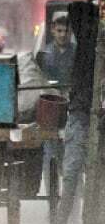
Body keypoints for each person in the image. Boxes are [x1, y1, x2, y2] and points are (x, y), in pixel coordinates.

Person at [53, 1, 98, 224]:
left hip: (98, 118)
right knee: (71, 172)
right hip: (80, 114)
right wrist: (96, 5)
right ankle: (61, 223)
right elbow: (76, 8)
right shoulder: (85, 43)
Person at [41, 15, 76, 200]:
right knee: (50, 156)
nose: (62, 34)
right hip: (53, 111)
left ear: (71, 32)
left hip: (75, 110)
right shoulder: (46, 55)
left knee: (73, 160)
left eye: (66, 31)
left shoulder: (79, 54)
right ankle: (52, 202)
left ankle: (73, 203)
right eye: (59, 30)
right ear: (53, 30)